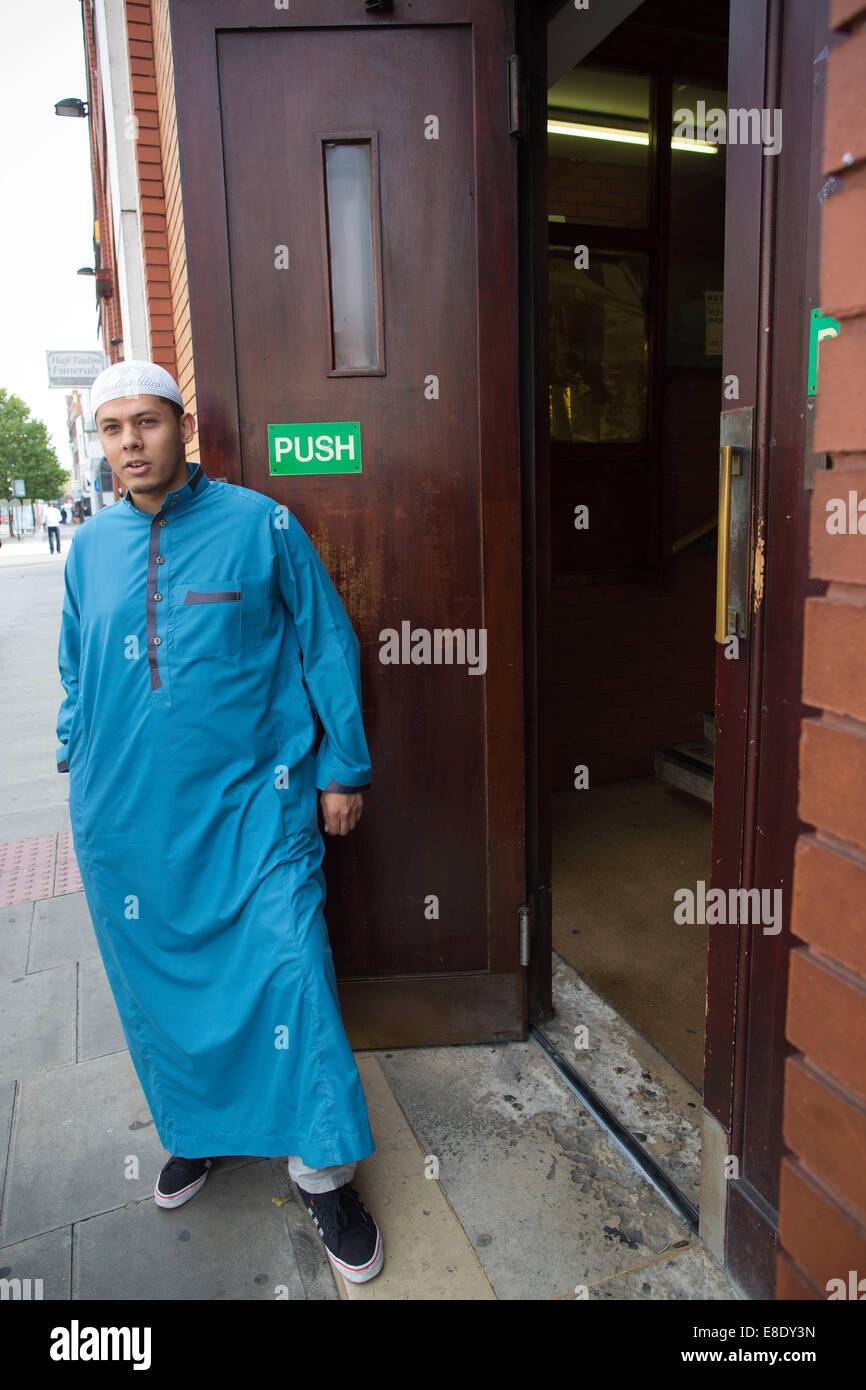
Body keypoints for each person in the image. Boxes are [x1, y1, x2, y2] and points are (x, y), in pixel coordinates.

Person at [55, 359, 383, 1285]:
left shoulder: (259, 524)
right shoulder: (88, 550)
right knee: (162, 990)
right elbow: (80, 667)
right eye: (113, 429)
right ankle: (199, 1130)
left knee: (291, 973)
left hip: (255, 812)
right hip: (129, 824)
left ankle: (323, 1174)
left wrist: (342, 768)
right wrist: (70, 743)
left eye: (146, 424)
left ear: (181, 425)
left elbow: (325, 641)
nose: (129, 444)